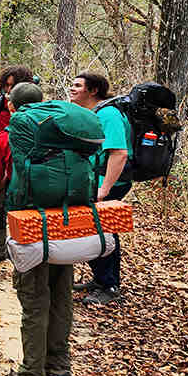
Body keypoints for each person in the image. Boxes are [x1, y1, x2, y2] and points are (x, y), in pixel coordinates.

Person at [0, 83, 72, 376]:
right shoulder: (63, 134)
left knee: (34, 298)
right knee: (61, 292)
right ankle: (59, 365)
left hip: (30, 226)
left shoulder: (5, 138)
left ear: (9, 104)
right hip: (67, 222)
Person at [69, 72, 133, 305]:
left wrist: (103, 190)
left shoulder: (109, 115)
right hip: (95, 181)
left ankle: (110, 286)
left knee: (104, 231)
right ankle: (100, 279)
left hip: (109, 184)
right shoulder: (94, 113)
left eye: (78, 85)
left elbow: (119, 153)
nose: (72, 89)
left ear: (93, 90)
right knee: (92, 230)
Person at [0, 65, 34, 264]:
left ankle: (23, 250)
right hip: (2, 158)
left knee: (26, 211)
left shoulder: (36, 108)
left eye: (14, 86)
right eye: (7, 85)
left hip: (30, 165)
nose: (9, 90)